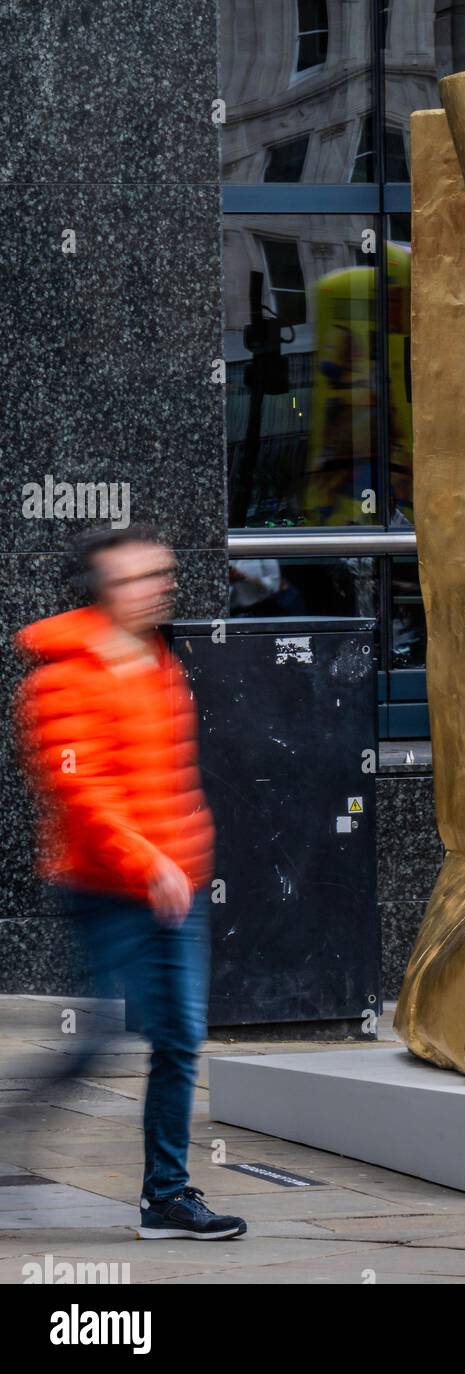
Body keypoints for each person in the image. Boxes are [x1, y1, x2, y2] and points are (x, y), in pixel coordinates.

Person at [14, 524, 247, 1241]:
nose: (156, 590)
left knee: (179, 1038)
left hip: (173, 880)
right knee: (103, 1037)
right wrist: (145, 859)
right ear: (100, 592)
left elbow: (168, 776)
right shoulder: (61, 677)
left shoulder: (155, 663)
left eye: (161, 576)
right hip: (105, 885)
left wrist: (180, 851)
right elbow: (80, 790)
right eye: (138, 579)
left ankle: (167, 1198)